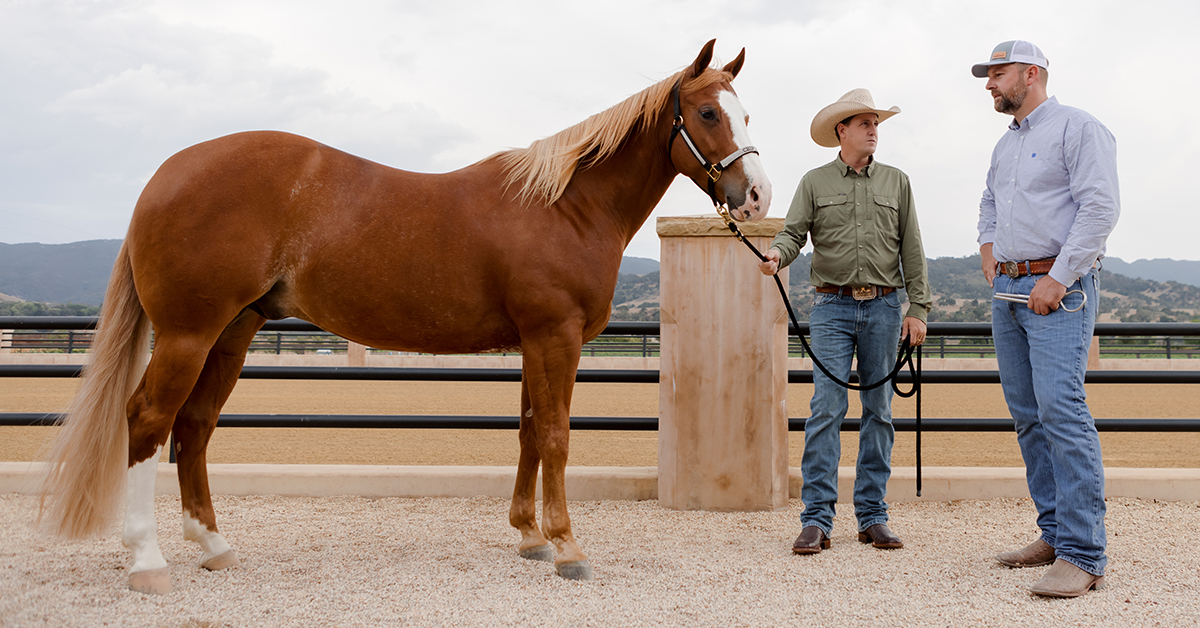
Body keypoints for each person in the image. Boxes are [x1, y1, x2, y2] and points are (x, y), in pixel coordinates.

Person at [973, 40, 1120, 598]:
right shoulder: (1004, 146)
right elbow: (989, 200)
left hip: (1058, 291)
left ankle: (1084, 554)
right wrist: (988, 250)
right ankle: (1055, 533)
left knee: (1062, 411)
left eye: (998, 73)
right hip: (1009, 290)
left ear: (1031, 74)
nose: (989, 83)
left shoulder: (1079, 128)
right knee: (1029, 416)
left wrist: (1057, 277)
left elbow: (1100, 207)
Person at [759, 88, 930, 555]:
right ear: (843, 131)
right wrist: (778, 253)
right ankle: (816, 520)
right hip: (831, 309)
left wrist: (918, 309)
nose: (874, 131)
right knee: (826, 411)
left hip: (884, 308)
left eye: (876, 124)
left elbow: (911, 248)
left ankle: (873, 517)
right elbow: (794, 233)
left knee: (879, 412)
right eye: (865, 123)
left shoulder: (898, 182)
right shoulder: (815, 182)